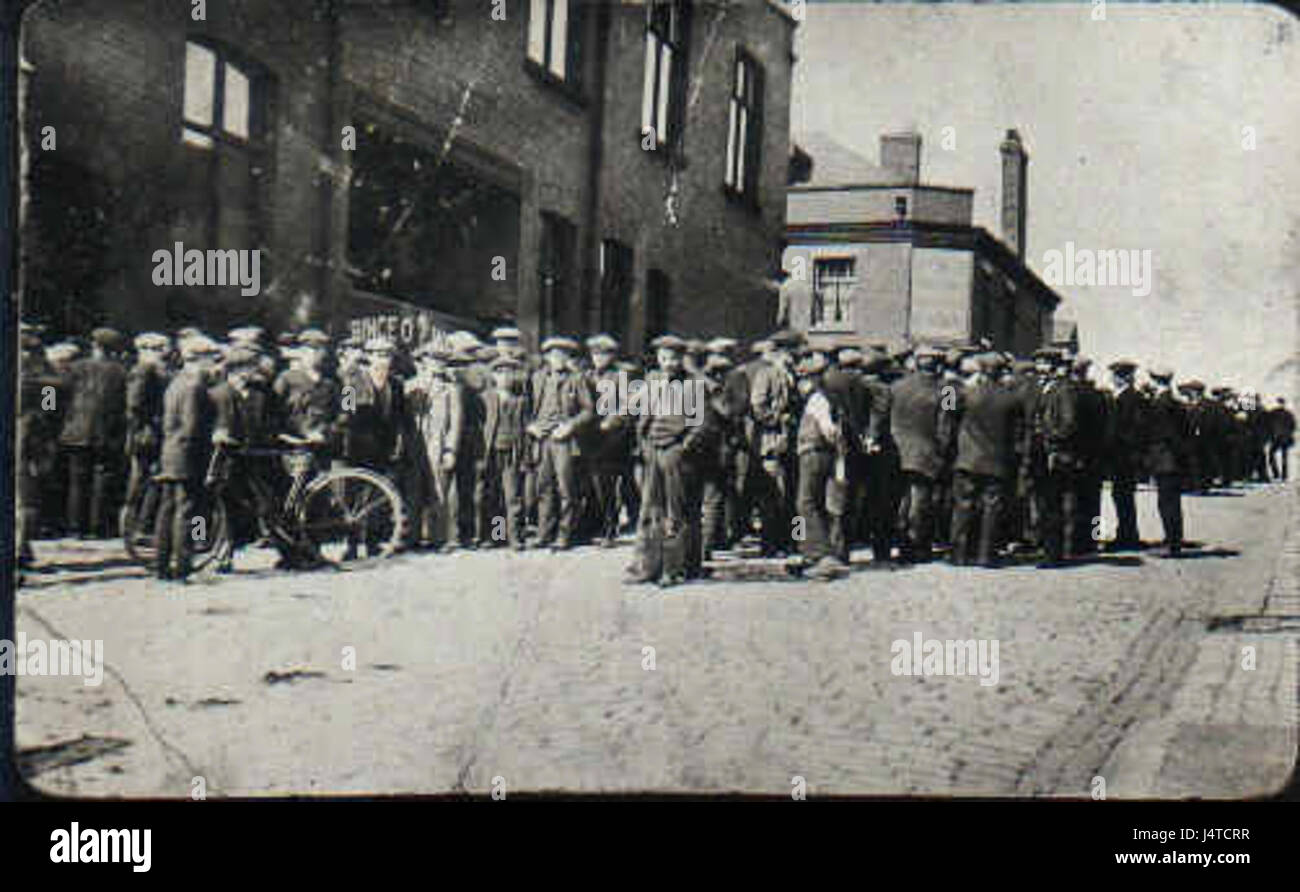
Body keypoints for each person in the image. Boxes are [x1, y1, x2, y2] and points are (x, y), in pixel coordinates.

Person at [155, 335, 220, 582]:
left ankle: (161, 564)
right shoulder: (194, 387)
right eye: (209, 359)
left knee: (167, 509)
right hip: (188, 455)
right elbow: (193, 427)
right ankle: (183, 565)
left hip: (170, 452)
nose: (212, 364)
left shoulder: (175, 383)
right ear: (198, 358)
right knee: (187, 511)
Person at [950, 353, 1021, 568]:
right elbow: (1017, 432)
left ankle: (959, 555)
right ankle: (987, 555)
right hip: (997, 460)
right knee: (992, 508)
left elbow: (948, 412)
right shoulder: (1012, 398)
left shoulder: (964, 393)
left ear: (980, 370)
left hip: (968, 458)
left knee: (964, 505)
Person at [58, 327, 128, 538]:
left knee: (77, 481)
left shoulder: (75, 367)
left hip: (75, 430)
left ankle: (75, 528)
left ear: (94, 345)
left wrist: (51, 412)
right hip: (106, 433)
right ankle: (97, 527)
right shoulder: (121, 372)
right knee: (102, 478)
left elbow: (53, 391)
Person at [528, 336, 595, 550]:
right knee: (543, 487)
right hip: (542, 439)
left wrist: (570, 426)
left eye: (562, 355)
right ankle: (544, 533)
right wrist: (531, 426)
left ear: (568, 358)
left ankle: (565, 535)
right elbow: (527, 408)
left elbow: (588, 411)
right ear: (547, 357)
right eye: (553, 355)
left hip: (564, 440)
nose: (557, 359)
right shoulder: (538, 378)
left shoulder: (577, 379)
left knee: (566, 488)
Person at [890, 345, 951, 563]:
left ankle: (901, 543)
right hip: (927, 452)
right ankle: (917, 546)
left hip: (899, 450)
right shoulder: (947, 389)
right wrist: (944, 451)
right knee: (921, 501)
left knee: (902, 500)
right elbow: (946, 425)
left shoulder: (897, 386)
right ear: (939, 364)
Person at [793, 353, 847, 580]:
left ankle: (821, 554)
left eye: (803, 379)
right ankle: (810, 552)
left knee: (805, 503)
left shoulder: (817, 400)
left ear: (812, 379)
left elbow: (829, 429)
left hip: (814, 453)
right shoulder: (828, 397)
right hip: (821, 454)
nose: (799, 384)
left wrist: (832, 444)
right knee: (814, 503)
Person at [123, 332, 172, 540]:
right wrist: (149, 422)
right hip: (148, 434)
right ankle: (139, 526)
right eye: (162, 349)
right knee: (148, 478)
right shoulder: (146, 370)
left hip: (148, 431)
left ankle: (137, 525)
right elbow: (135, 404)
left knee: (146, 478)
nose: (166, 353)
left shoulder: (150, 370)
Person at [481, 354, 530, 550]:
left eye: (509, 373)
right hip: (492, 452)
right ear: (494, 376)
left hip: (512, 452)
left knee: (513, 496)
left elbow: (525, 428)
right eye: (500, 373)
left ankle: (515, 537)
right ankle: (496, 534)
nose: (505, 378)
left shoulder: (521, 401)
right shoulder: (485, 398)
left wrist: (525, 456)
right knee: (493, 496)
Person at [1145, 365, 1189, 556]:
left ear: (1155, 380)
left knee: (1167, 502)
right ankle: (1173, 540)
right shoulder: (1175, 402)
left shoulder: (1161, 403)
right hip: (1172, 458)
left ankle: (1173, 544)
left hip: (1165, 457)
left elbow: (1167, 433)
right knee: (1171, 502)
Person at [1105, 359, 1146, 551]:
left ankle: (1128, 537)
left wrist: (1120, 445)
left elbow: (1136, 430)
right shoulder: (1120, 397)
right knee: (1121, 496)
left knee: (1124, 497)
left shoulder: (1132, 398)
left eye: (1118, 375)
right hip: (1119, 456)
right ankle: (1126, 534)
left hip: (1125, 456)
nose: (1115, 378)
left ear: (1127, 377)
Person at [1268, 397, 1294, 481]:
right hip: (1284, 438)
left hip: (1278, 438)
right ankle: (1283, 474)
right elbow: (1292, 426)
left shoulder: (1273, 413)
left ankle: (1277, 473)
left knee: (1272, 455)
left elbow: (1269, 425)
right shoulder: (1288, 414)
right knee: (1283, 457)